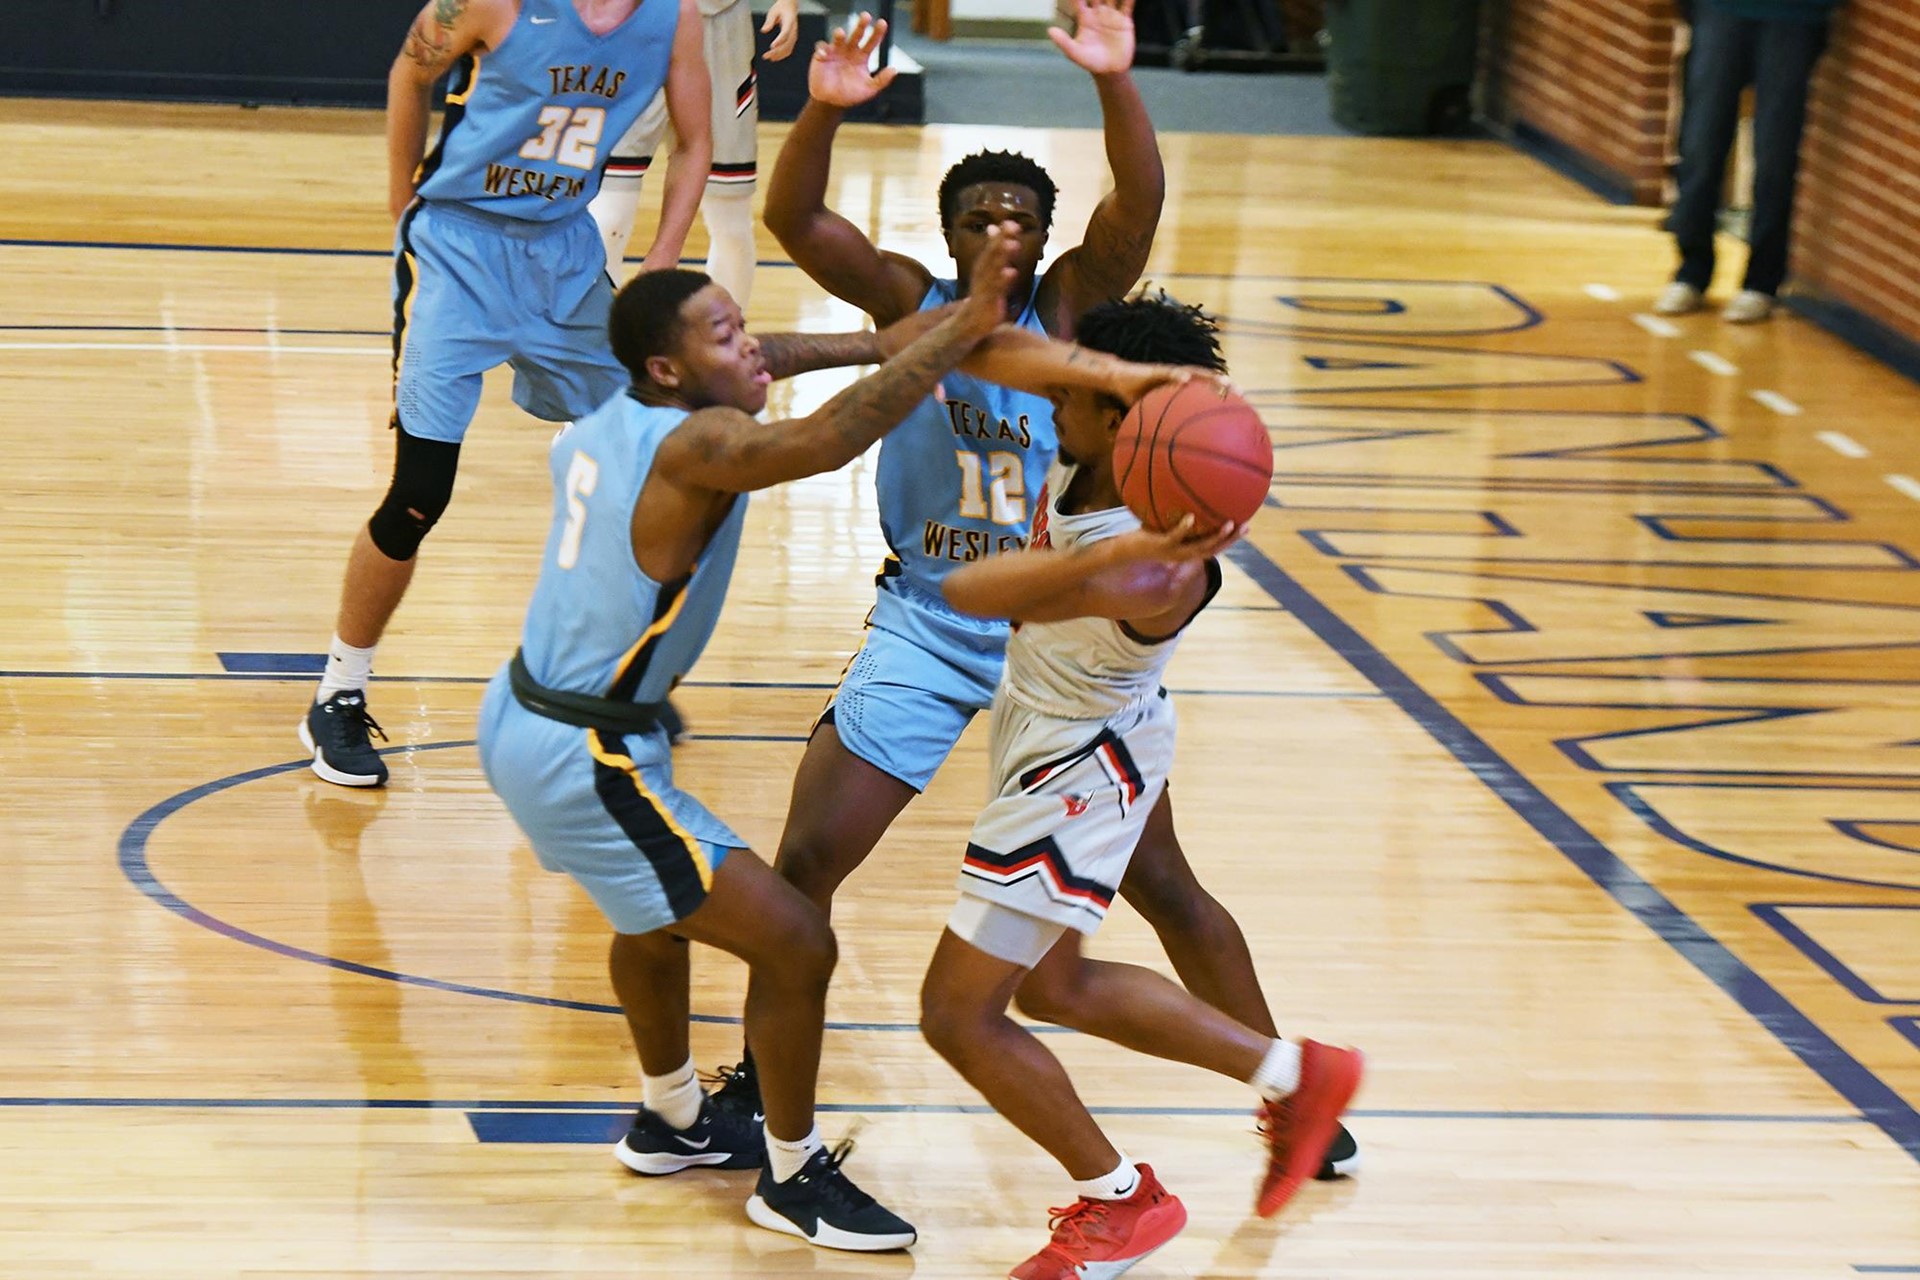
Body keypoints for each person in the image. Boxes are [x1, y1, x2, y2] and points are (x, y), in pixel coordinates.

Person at [722, 5, 1362, 1180]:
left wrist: (1118, 85)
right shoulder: (912, 302)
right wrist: (821, 105)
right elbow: (796, 217)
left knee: (1166, 881)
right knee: (809, 857)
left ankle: (1291, 1090)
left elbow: (1140, 206)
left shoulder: (1068, 317)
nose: (1001, 227)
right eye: (980, 215)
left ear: (1047, 230)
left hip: (1061, 641)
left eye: (1020, 213)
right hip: (931, 615)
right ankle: (757, 1084)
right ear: (950, 229)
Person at [921, 292, 1364, 1279]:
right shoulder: (1110, 448)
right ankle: (1291, 1087)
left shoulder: (1155, 564)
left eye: (1079, 390)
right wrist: (1108, 375)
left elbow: (965, 590)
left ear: (1131, 429)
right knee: (1070, 974)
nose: (1056, 401)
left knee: (959, 1011)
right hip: (1076, 730)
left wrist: (1109, 551)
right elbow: (994, 351)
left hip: (1078, 762)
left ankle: (1130, 1191)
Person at [301, 0, 714, 788]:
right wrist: (403, 207)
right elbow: (408, 71)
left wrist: (662, 256)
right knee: (420, 492)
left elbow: (697, 142)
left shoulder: (675, 17)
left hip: (563, 254)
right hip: (457, 245)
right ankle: (338, 691)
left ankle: (611, 682)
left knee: (658, 458)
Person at [590, 0, 797, 309]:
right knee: (609, 216)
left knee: (730, 220)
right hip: (633, 24)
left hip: (722, 27)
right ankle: (599, 341)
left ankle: (726, 343)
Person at [1652, 0, 1843, 324]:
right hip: (1720, 11)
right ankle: (1691, 273)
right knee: (1700, 145)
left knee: (1774, 156)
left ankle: (1761, 283)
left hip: (1794, 16)